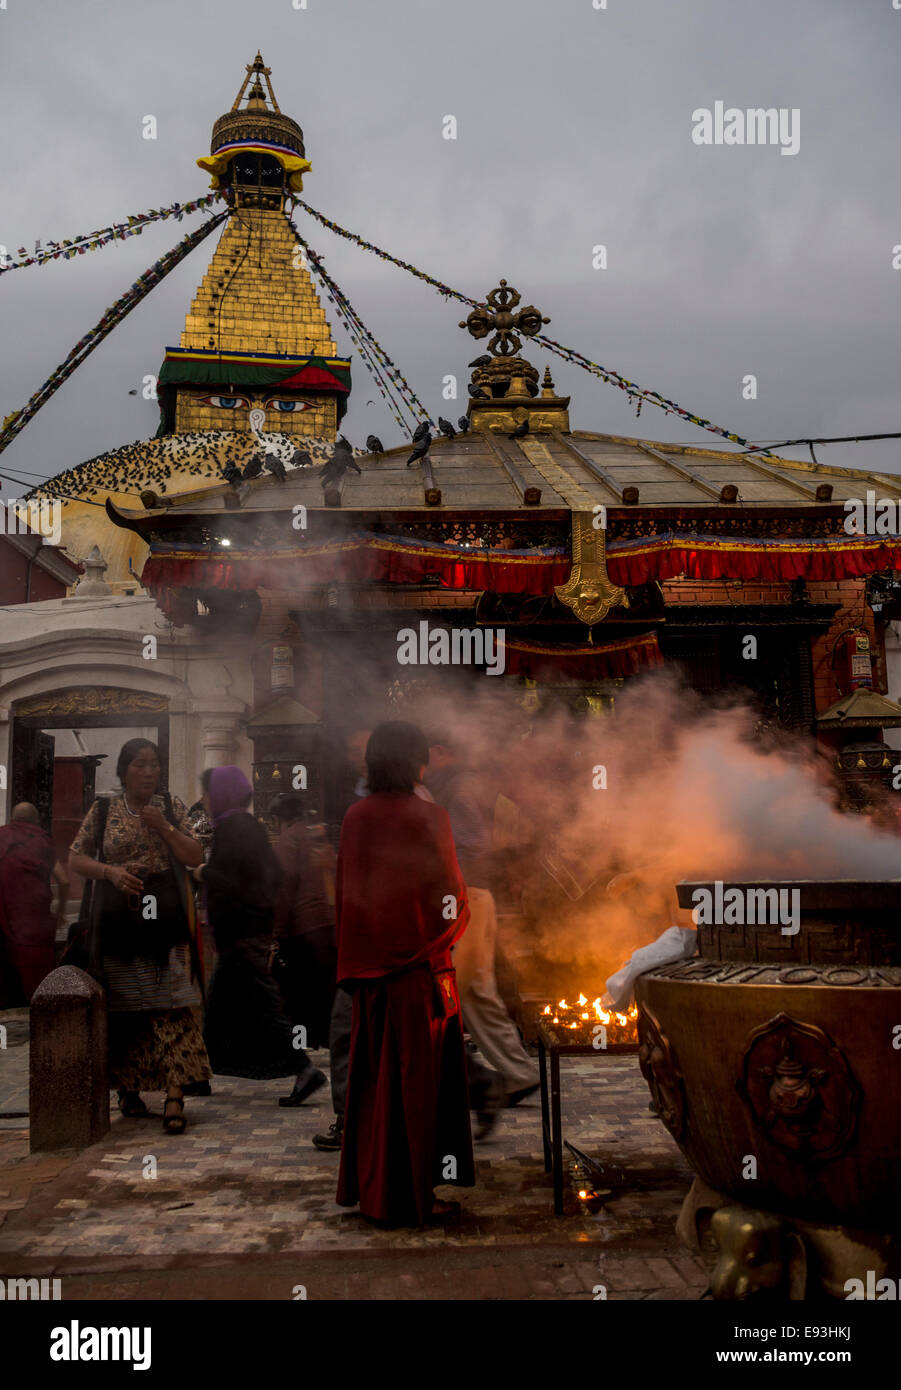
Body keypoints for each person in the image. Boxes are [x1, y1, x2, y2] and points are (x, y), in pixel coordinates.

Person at [335, 721, 475, 1225]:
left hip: (372, 976)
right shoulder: (430, 816)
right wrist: (452, 927)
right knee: (419, 1089)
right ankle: (416, 1195)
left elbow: (349, 895)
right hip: (419, 975)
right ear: (413, 762)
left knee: (375, 1089)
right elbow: (448, 896)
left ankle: (377, 1192)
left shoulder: (355, 816)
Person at [68, 739, 211, 1134]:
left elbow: (195, 856)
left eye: (154, 765)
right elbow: (75, 857)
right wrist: (110, 873)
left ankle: (175, 1094)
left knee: (172, 1005)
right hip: (119, 921)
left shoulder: (171, 808)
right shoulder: (102, 810)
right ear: (123, 771)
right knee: (127, 1011)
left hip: (163, 922)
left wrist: (163, 827)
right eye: (139, 765)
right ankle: (128, 1088)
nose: (149, 772)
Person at [194, 767, 326, 1107]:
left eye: (207, 793)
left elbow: (237, 880)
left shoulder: (236, 828)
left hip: (242, 931)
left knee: (265, 1005)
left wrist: (204, 872)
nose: (204, 801)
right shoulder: (241, 826)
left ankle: (303, 1067)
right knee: (222, 1006)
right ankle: (197, 1073)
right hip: (243, 930)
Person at [425, 731, 539, 1107]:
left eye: (426, 754)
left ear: (440, 750)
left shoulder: (458, 792)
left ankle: (507, 1073)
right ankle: (509, 1072)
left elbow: (473, 846)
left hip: (468, 895)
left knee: (471, 989)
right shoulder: (459, 786)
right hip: (471, 894)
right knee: (475, 989)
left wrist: (455, 889)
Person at [270, 791, 336, 1063]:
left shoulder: (287, 841)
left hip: (303, 927)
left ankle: (300, 1051)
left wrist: (277, 928)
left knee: (298, 992)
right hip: (328, 923)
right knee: (324, 988)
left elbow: (284, 887)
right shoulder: (317, 838)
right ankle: (330, 1042)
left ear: (278, 820)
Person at [0, 804, 68, 1005]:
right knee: (37, 977)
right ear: (36, 822)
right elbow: (64, 881)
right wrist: (61, 912)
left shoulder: (2, 837)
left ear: (12, 820)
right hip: (33, 922)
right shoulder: (41, 841)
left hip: (3, 917)